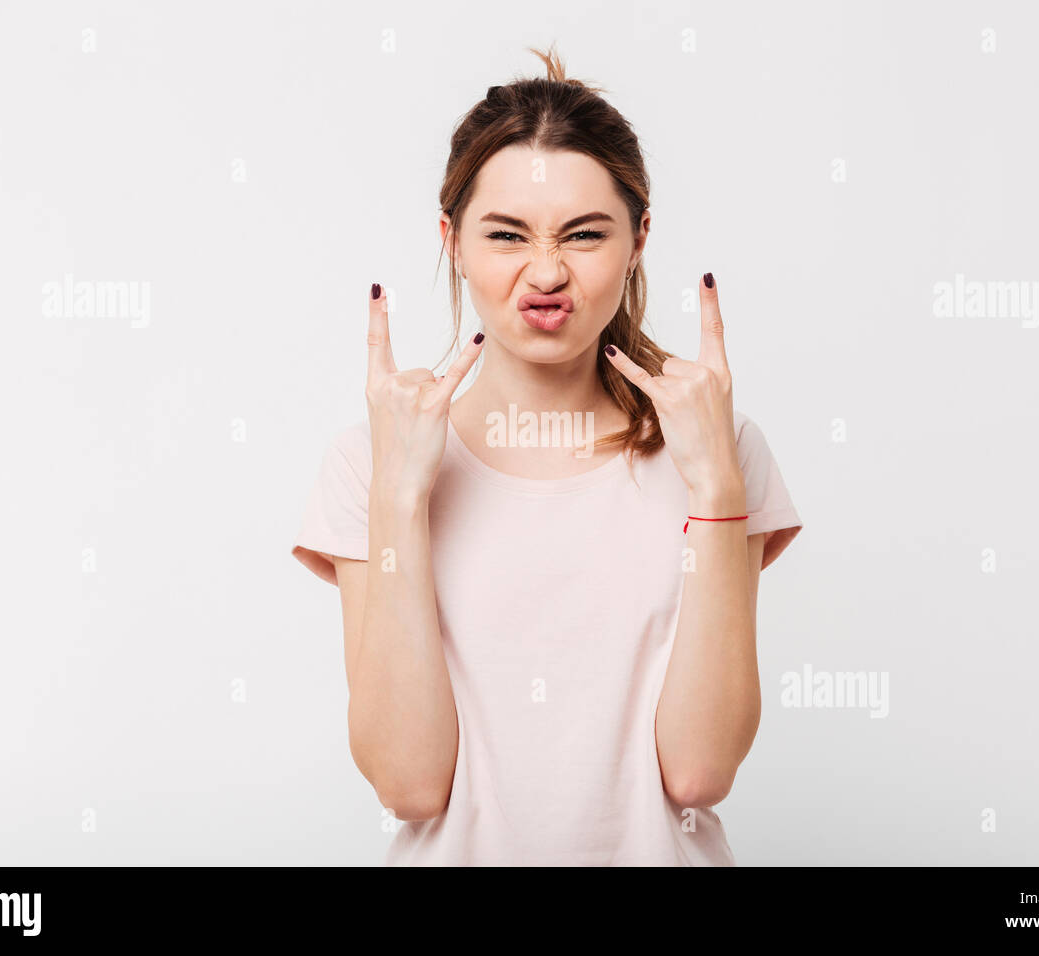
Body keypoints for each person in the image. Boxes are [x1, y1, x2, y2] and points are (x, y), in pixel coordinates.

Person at [291, 44, 803, 865]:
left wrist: (713, 485)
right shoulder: (367, 464)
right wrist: (399, 497)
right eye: (507, 234)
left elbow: (701, 771)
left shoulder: (722, 449)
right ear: (452, 241)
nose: (546, 272)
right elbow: (408, 783)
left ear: (638, 239)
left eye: (583, 233)